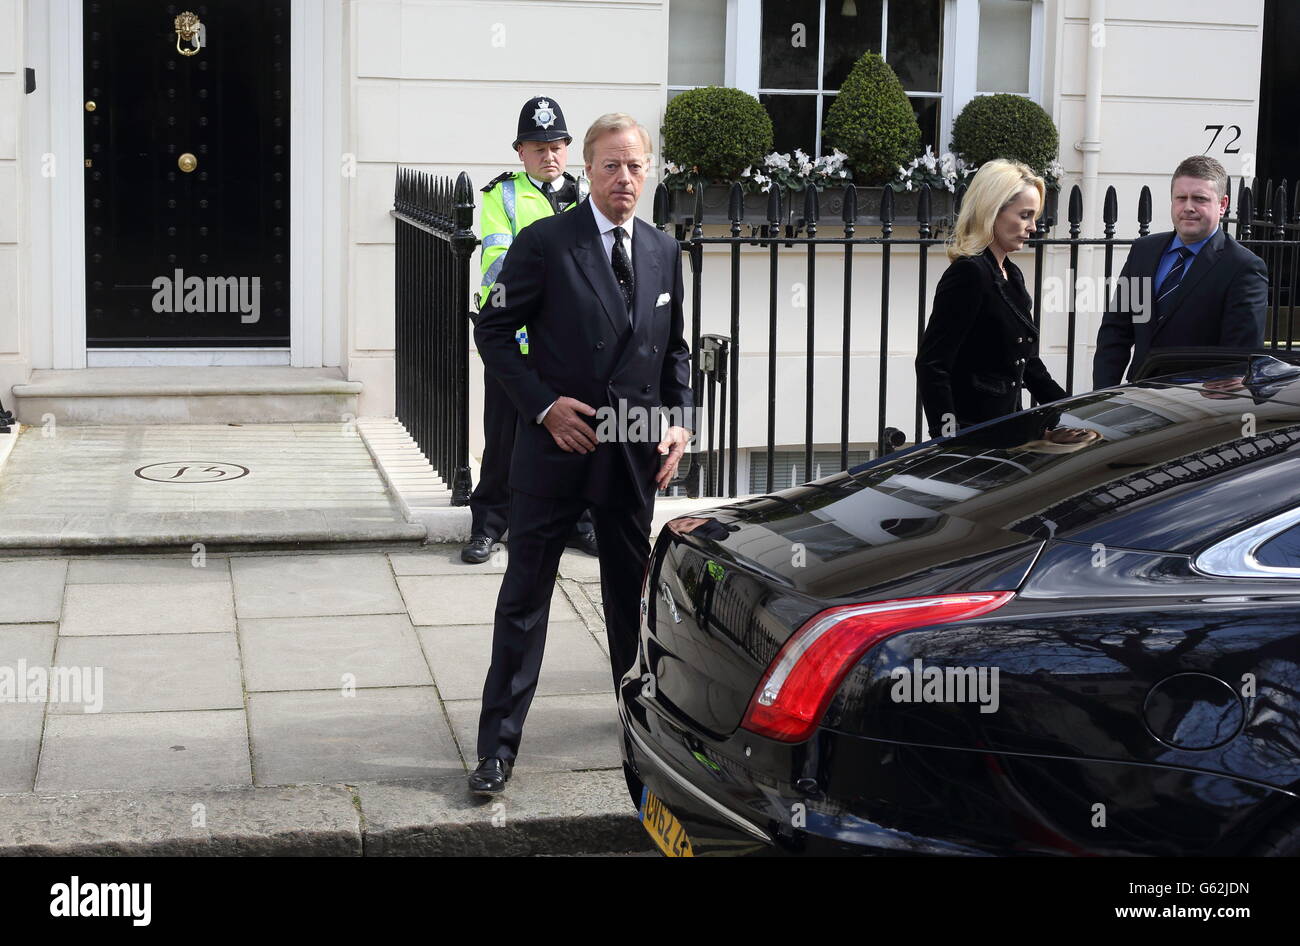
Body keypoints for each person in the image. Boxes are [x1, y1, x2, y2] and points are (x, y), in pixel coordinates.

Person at [467, 113, 694, 794]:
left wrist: (680, 420)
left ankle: (637, 722)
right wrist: (541, 405)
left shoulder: (662, 249)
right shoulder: (545, 242)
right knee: (525, 599)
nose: (623, 179)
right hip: (557, 451)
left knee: (631, 597)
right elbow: (495, 331)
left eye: (635, 166)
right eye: (610, 166)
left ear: (647, 171)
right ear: (586, 170)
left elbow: (676, 349)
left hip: (632, 454)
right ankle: (497, 748)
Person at [462, 95, 599, 565]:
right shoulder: (499, 195)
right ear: (520, 151)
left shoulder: (587, 196)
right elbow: (499, 265)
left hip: (571, 342)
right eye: (537, 146)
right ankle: (489, 525)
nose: (549, 154)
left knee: (577, 435)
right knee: (502, 439)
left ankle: (579, 523)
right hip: (515, 340)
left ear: (568, 148)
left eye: (556, 144)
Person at [917, 159, 1067, 439]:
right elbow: (932, 364)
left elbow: (1028, 362)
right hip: (974, 437)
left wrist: (1068, 411)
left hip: (1008, 429)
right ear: (993, 211)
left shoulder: (1012, 274)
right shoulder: (969, 273)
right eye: (1025, 215)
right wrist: (949, 437)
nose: (1033, 227)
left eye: (1034, 216)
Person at [1092, 155, 1268, 389]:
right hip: (1139, 398)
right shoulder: (1143, 251)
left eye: (1200, 199)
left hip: (1197, 407)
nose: (1188, 208)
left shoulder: (1243, 267)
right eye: (1181, 198)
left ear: (1223, 205)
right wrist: (1103, 397)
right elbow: (1116, 332)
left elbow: (1237, 357)